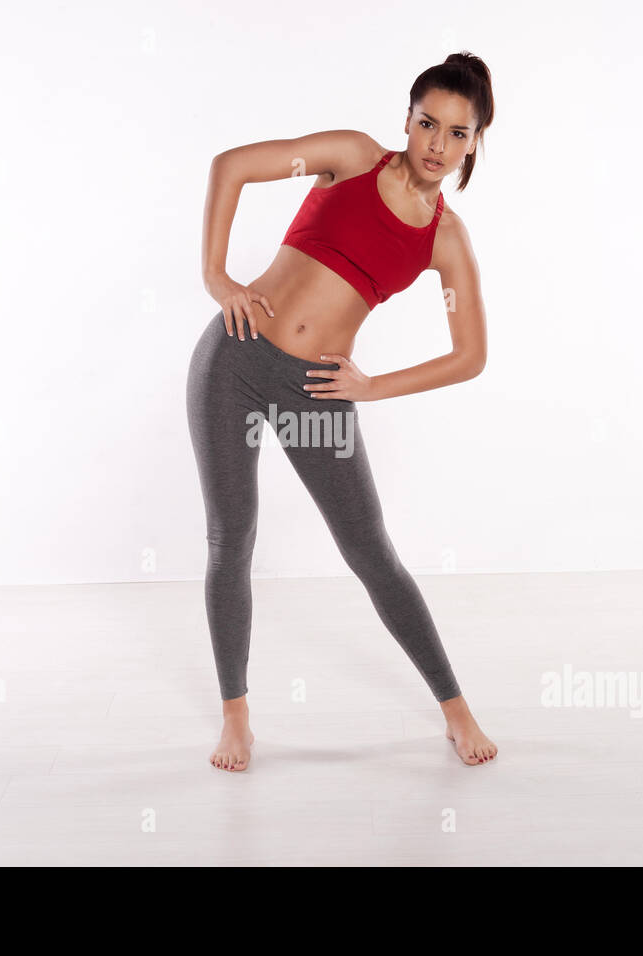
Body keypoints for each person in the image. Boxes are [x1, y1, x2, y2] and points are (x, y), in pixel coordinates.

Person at [186, 52, 498, 771]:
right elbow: (230, 165)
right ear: (408, 118)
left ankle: (454, 707)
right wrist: (217, 278)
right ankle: (236, 717)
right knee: (231, 538)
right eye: (427, 123)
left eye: (456, 133)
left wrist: (372, 387)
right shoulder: (352, 159)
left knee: (370, 552)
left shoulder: (445, 242)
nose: (436, 145)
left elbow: (470, 355)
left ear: (474, 142)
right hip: (234, 356)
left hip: (318, 391)